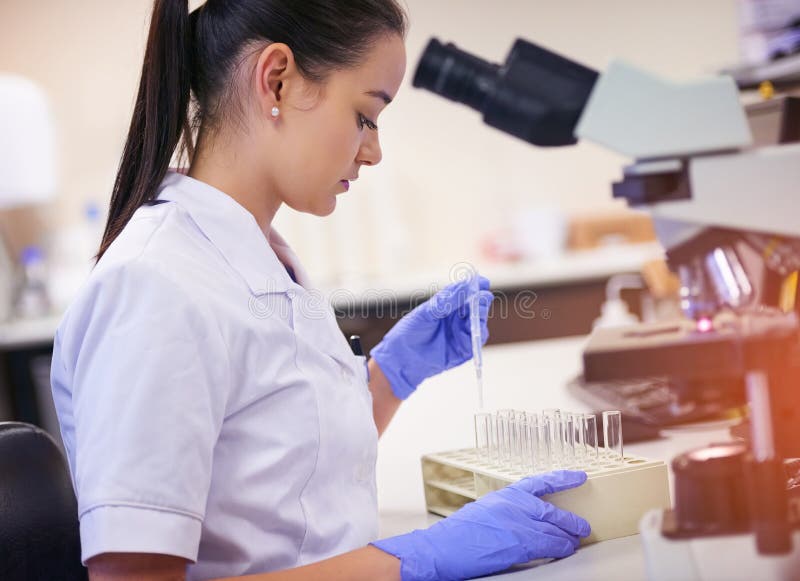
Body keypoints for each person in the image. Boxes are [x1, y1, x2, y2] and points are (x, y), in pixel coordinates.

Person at [50, 1, 591, 580]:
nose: (373, 150)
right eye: (365, 115)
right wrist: (410, 560)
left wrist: (388, 378)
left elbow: (281, 473)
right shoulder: (156, 288)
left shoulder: (255, 256)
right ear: (275, 79)